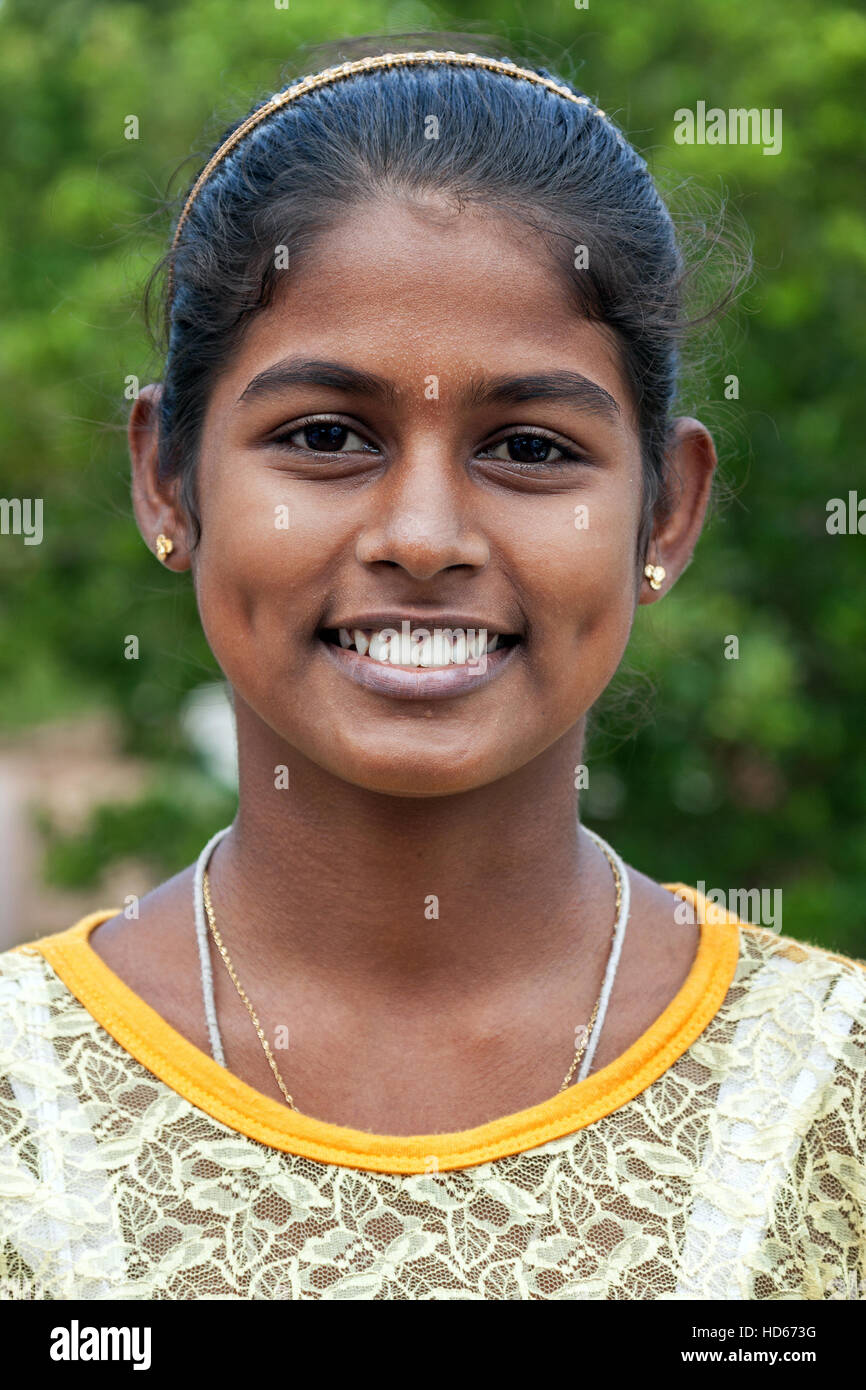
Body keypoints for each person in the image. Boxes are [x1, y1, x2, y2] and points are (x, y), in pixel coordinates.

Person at [1, 37, 863, 1302]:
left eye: (527, 446)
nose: (420, 536)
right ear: (167, 478)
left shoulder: (822, 1104)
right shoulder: (26, 1106)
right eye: (325, 436)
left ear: (664, 515)